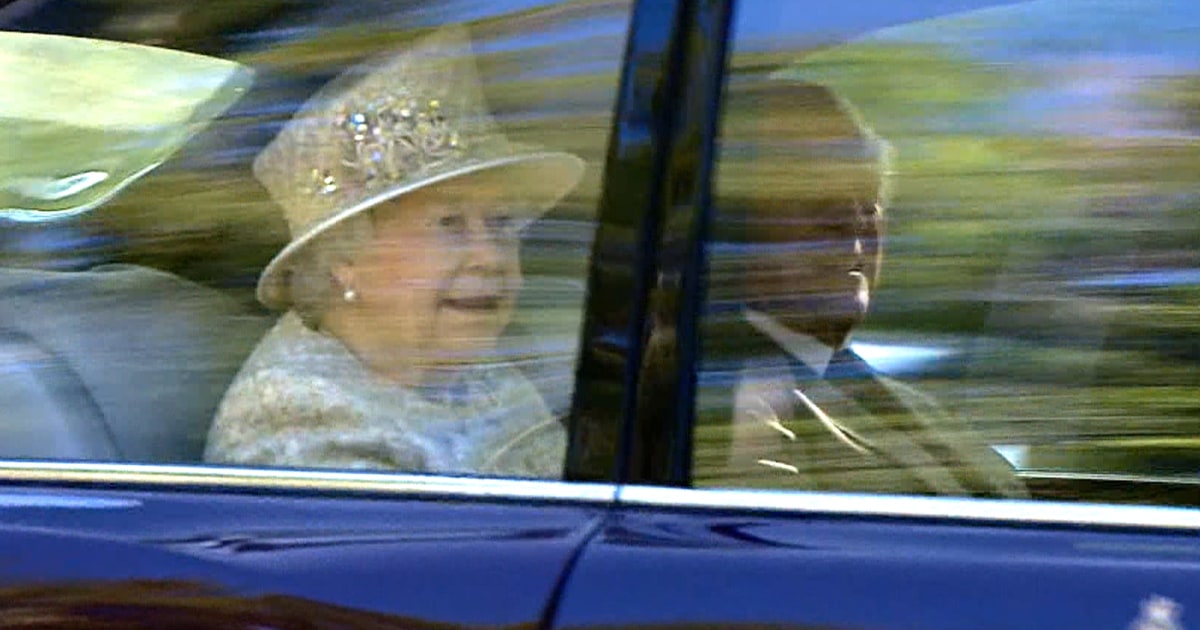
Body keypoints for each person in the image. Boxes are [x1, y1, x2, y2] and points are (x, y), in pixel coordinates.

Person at [203, 26, 585, 477]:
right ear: (344, 258)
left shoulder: (473, 368)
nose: (492, 256)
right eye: (449, 224)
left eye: (501, 223)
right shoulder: (301, 421)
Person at [705, 79, 1027, 498]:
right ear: (734, 223)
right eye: (821, 197)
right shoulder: (731, 402)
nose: (856, 222)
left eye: (869, 200)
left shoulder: (886, 395)